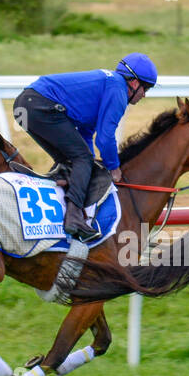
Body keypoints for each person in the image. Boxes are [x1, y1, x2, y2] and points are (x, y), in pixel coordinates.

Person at [13, 53, 157, 242]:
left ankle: (54, 210)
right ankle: (73, 218)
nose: (144, 95)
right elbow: (105, 139)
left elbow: (86, 134)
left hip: (25, 105)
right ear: (134, 83)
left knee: (74, 160)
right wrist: (114, 168)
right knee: (81, 160)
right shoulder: (118, 90)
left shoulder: (109, 85)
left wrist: (89, 161)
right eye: (145, 87)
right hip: (40, 105)